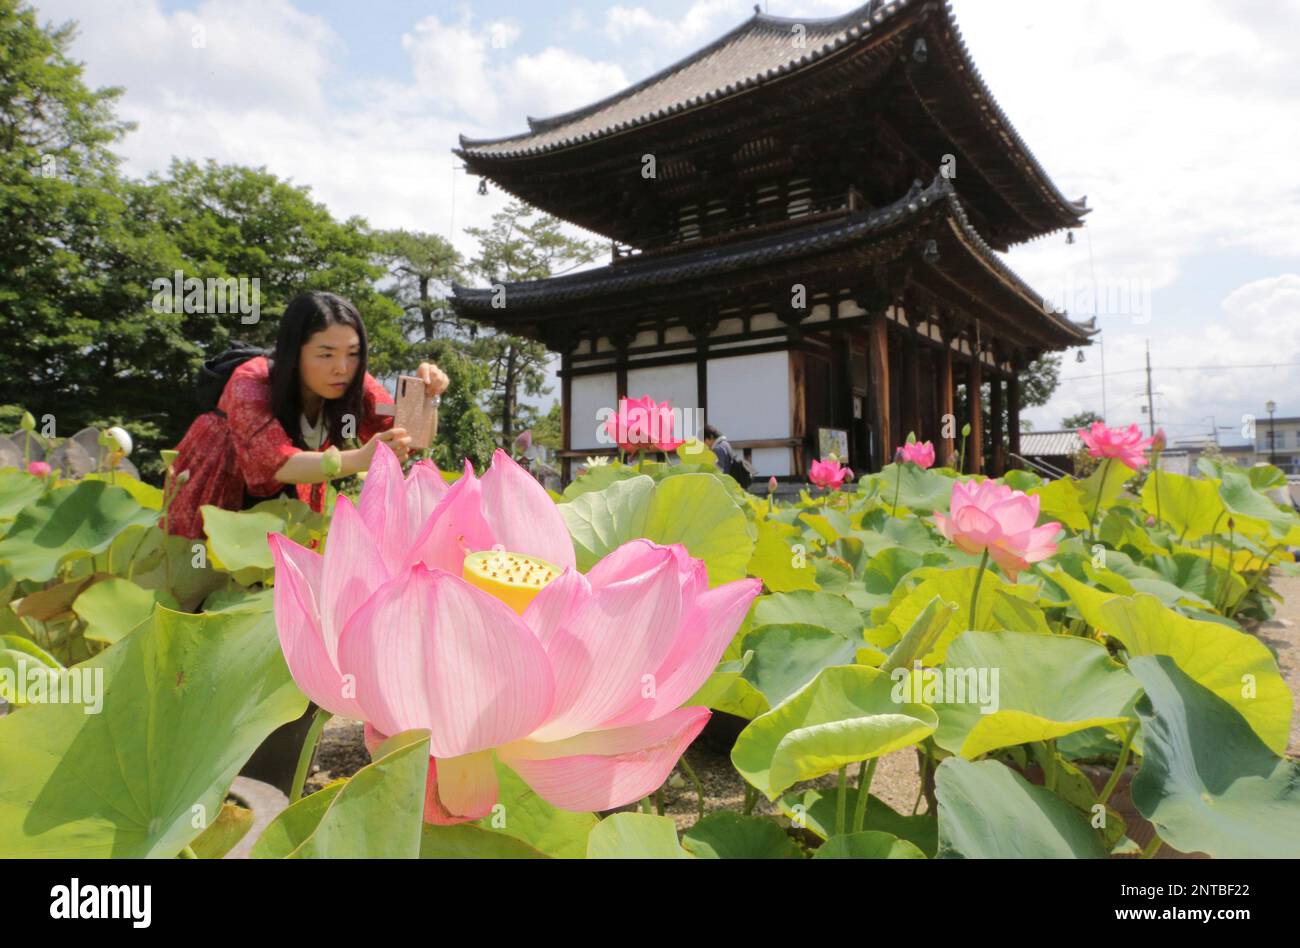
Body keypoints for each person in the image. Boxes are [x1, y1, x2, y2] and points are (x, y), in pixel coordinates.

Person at [166, 291, 449, 538]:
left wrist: (426, 398)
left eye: (352, 353)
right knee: (206, 582)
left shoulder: (353, 381)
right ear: (294, 352)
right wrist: (360, 458)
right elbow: (275, 463)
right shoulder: (249, 381)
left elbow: (409, 439)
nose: (342, 367)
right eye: (326, 354)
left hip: (295, 488)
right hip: (220, 483)